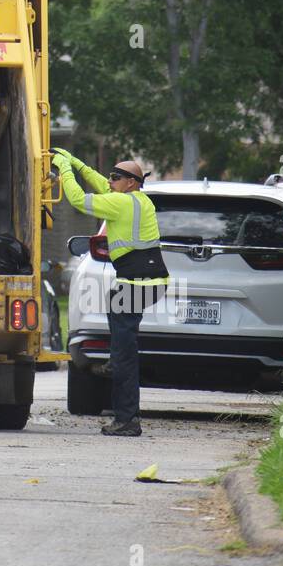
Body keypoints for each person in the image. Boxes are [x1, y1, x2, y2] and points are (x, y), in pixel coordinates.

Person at [52, 149, 169, 436]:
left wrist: (64, 170)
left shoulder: (121, 203)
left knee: (126, 356)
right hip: (146, 283)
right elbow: (102, 184)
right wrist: (79, 162)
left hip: (136, 284)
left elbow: (79, 200)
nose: (110, 181)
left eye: (116, 178)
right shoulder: (140, 200)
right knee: (122, 344)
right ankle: (116, 362)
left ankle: (127, 420)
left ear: (131, 182)